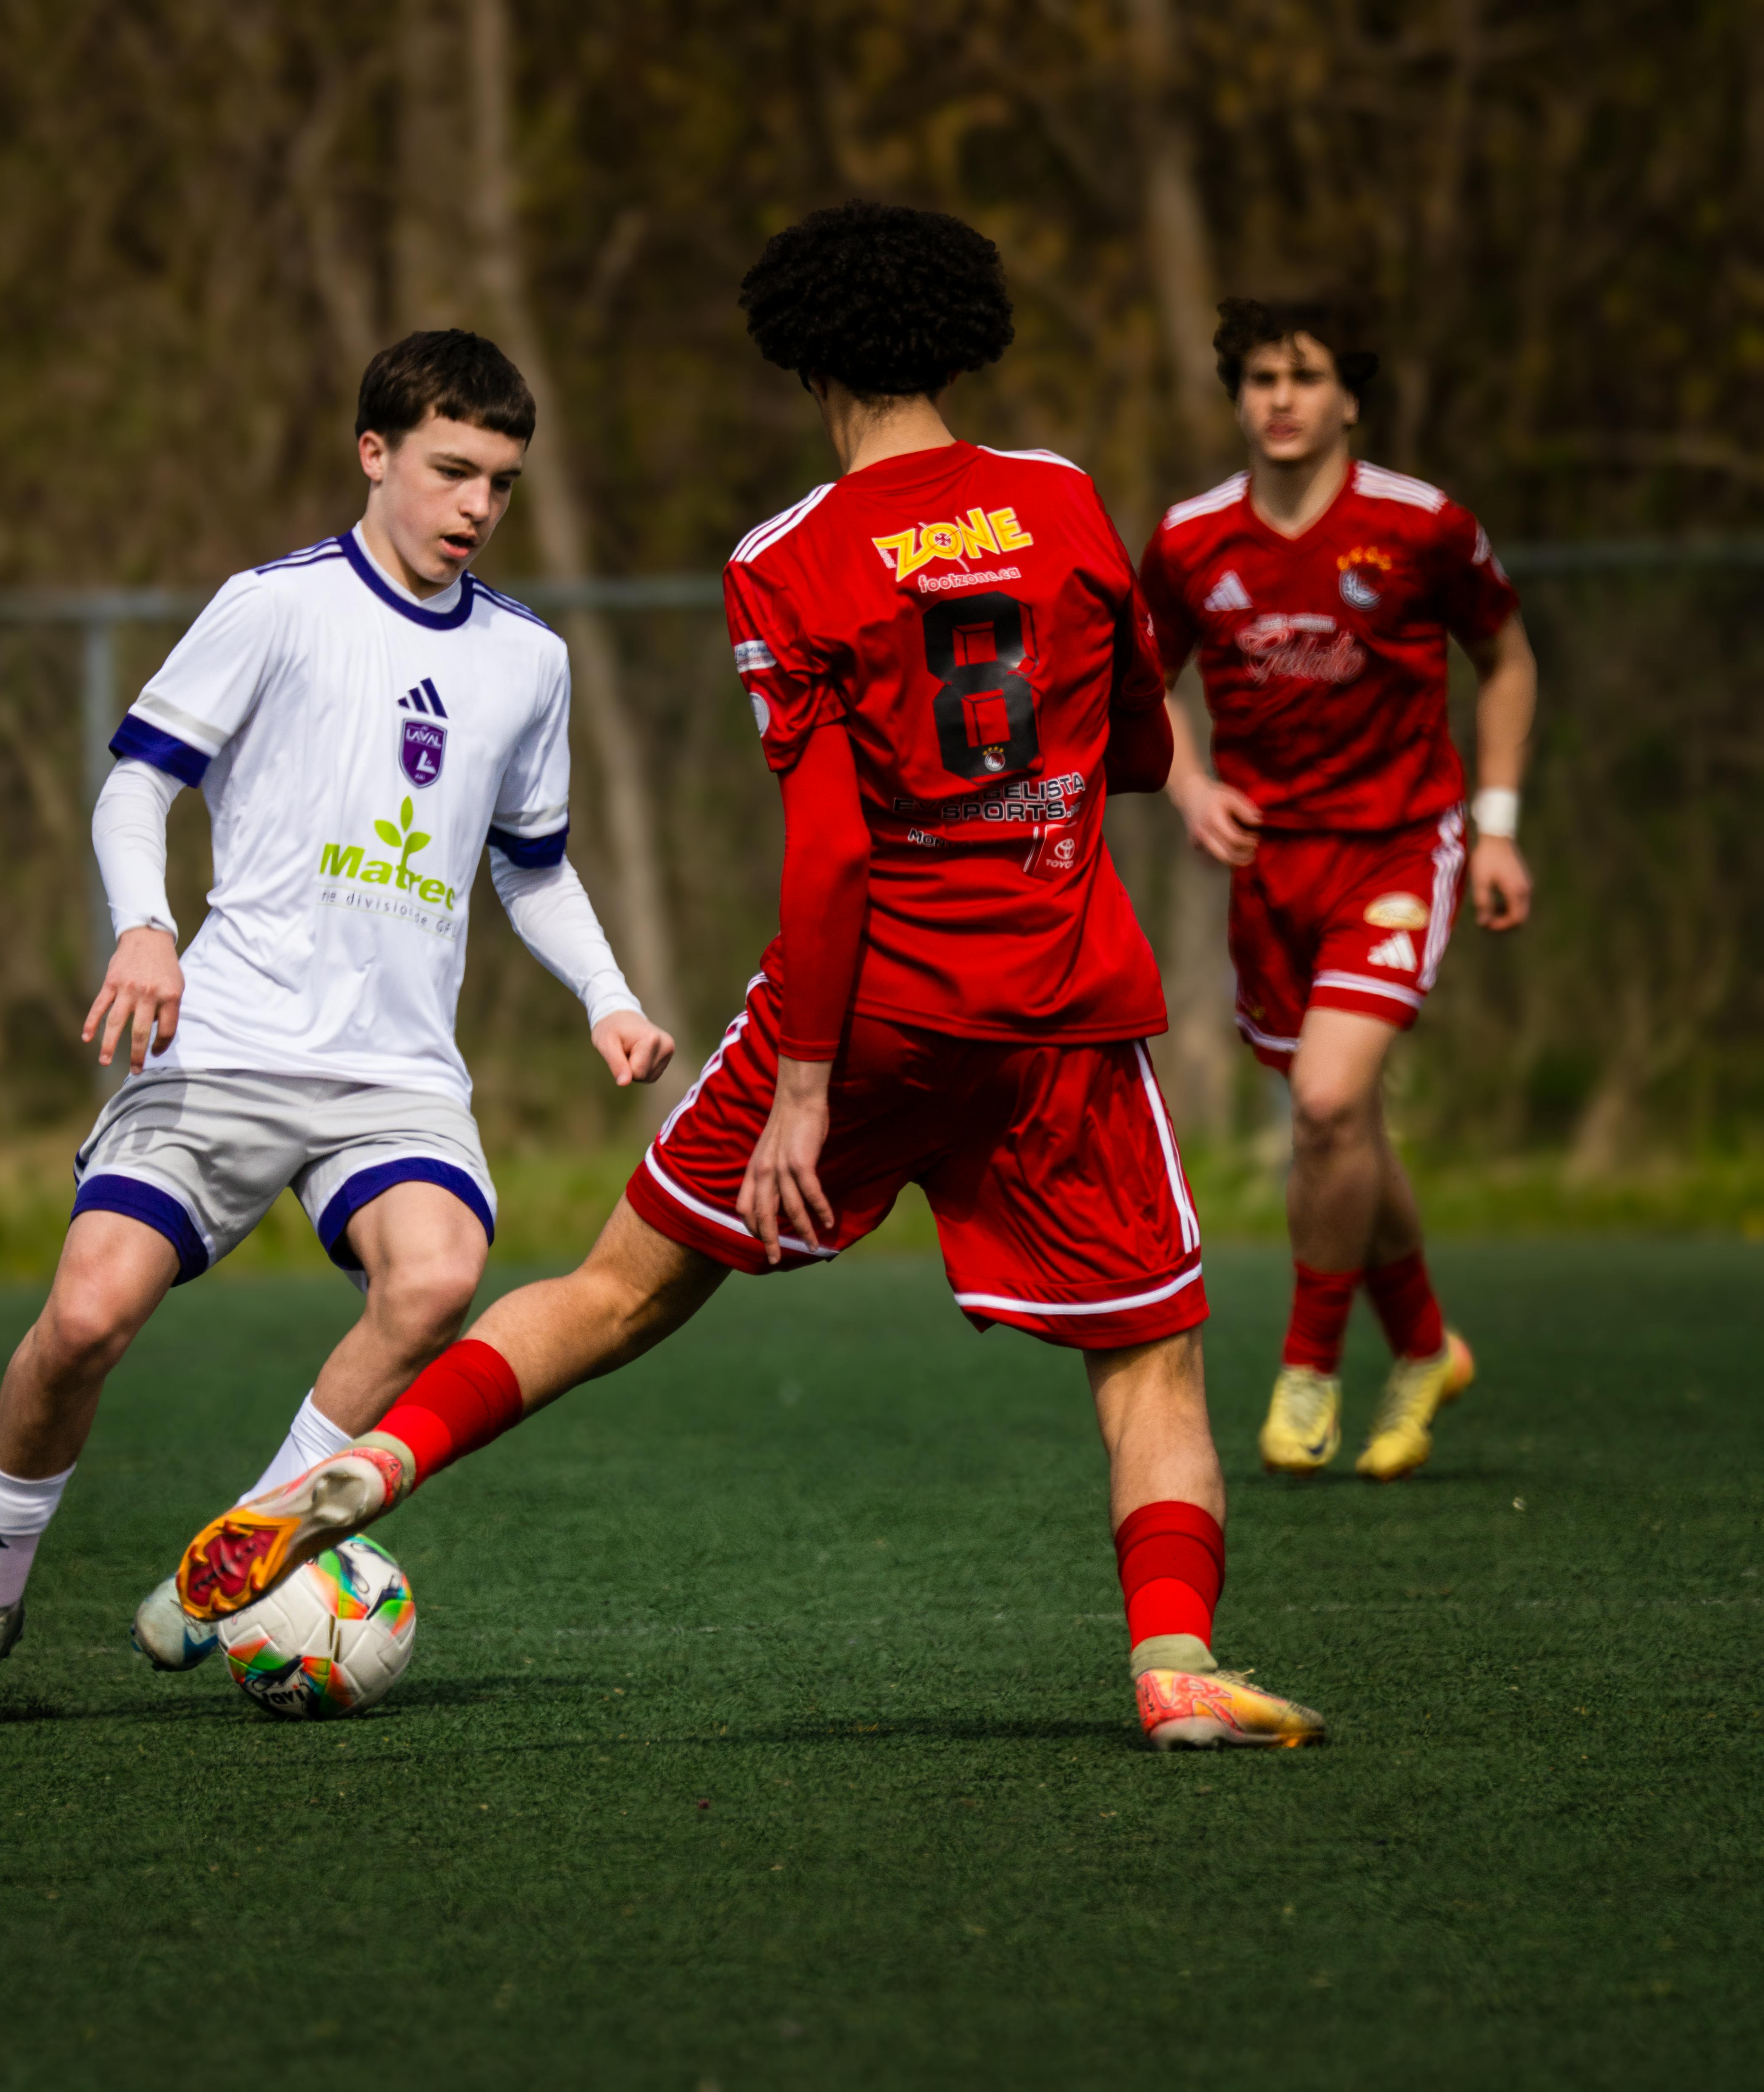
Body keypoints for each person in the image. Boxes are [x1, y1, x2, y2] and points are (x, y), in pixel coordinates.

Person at [165, 204, 1328, 1752]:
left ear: (800, 358)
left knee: (617, 1292)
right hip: (1061, 1010)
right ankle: (1175, 1667)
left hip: (868, 1021)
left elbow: (833, 852)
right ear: (959, 332)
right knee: (1150, 1353)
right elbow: (1132, 743)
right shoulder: (1058, 501)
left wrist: (803, 1085)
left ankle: (372, 1472)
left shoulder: (788, 559)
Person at [0, 329, 675, 1726]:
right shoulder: (273, 607)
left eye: (500, 482)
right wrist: (144, 923)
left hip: (394, 1074)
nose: (476, 507)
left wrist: (607, 997)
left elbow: (534, 863)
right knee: (83, 1320)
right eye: (451, 471)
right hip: (228, 1044)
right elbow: (137, 785)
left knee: (436, 1277)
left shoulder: (528, 661)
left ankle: (235, 1555)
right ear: (373, 454)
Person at [1137, 296, 1536, 1483]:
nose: (1281, 397)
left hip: (1399, 848)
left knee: (1321, 1105)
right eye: (1260, 376)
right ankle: (1422, 1345)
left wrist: (1501, 830)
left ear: (1348, 396)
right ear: (1238, 397)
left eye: (1305, 375)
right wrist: (1191, 787)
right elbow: (1141, 680)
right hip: (1269, 871)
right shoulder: (1191, 540)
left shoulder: (1422, 526)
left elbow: (1506, 660)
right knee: (1342, 1125)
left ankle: (1308, 1365)